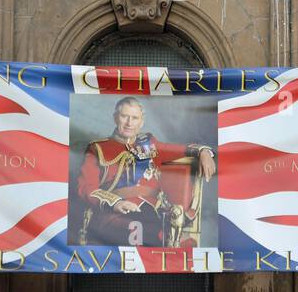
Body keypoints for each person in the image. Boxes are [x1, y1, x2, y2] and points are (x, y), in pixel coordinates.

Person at [75, 96, 216, 246]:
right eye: (124, 116)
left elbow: (175, 150)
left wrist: (203, 152)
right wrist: (115, 203)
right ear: (116, 118)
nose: (129, 123)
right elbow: (86, 188)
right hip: (113, 214)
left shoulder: (150, 144)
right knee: (147, 231)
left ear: (141, 122)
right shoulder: (97, 148)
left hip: (153, 213)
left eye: (134, 118)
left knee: (172, 233)